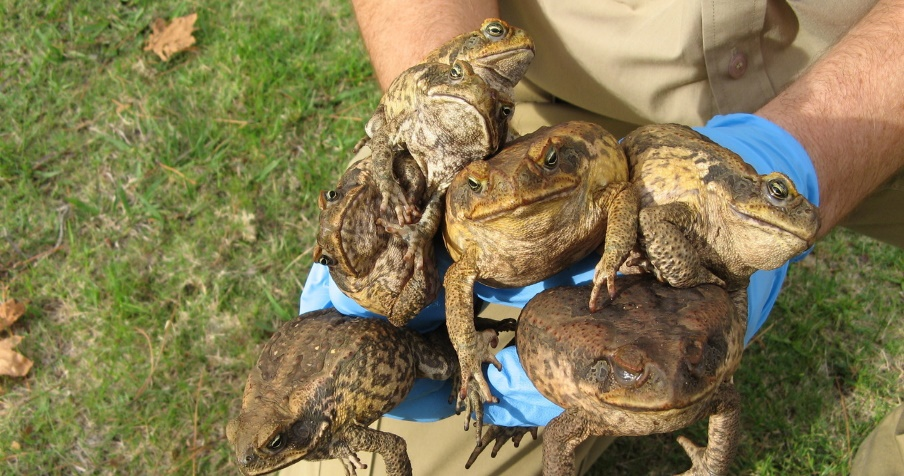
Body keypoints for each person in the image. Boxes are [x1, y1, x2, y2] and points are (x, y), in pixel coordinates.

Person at [283, 1, 904, 474]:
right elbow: (460, 268)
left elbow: (623, 198)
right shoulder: (487, 201)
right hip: (557, 125)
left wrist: (802, 151)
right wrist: (445, 125)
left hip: (866, 85)